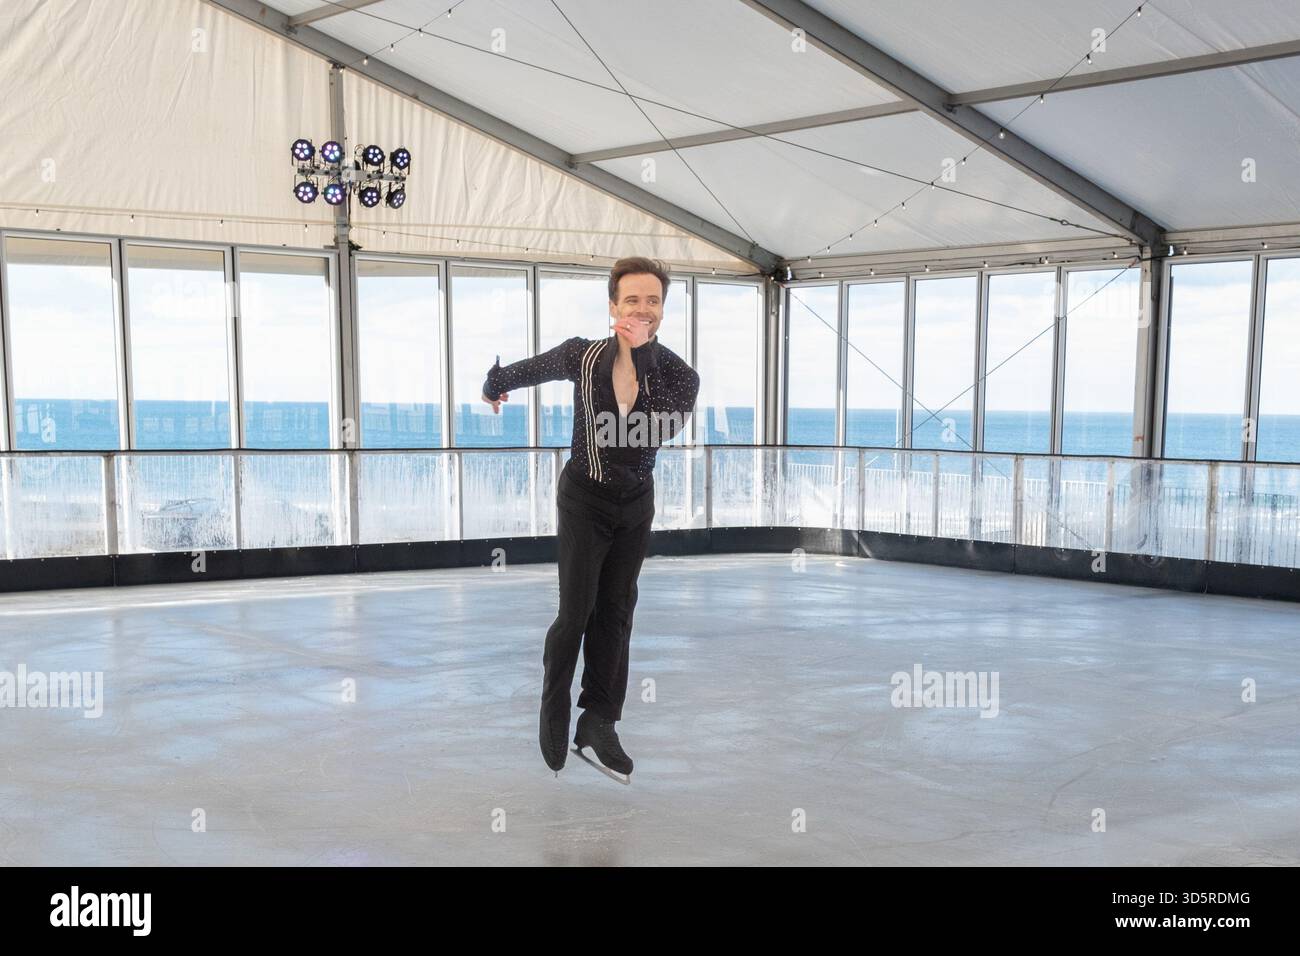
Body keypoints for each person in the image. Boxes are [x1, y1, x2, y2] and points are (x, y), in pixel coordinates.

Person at [481, 256, 701, 780]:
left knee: (618, 610)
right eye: (632, 300)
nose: (642, 308)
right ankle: (554, 708)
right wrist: (493, 385)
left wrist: (639, 357)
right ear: (613, 307)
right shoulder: (582, 356)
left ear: (663, 311)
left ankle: (599, 720)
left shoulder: (679, 375)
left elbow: (645, 430)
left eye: (652, 301)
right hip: (583, 498)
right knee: (575, 612)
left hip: (634, 505)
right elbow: (527, 369)